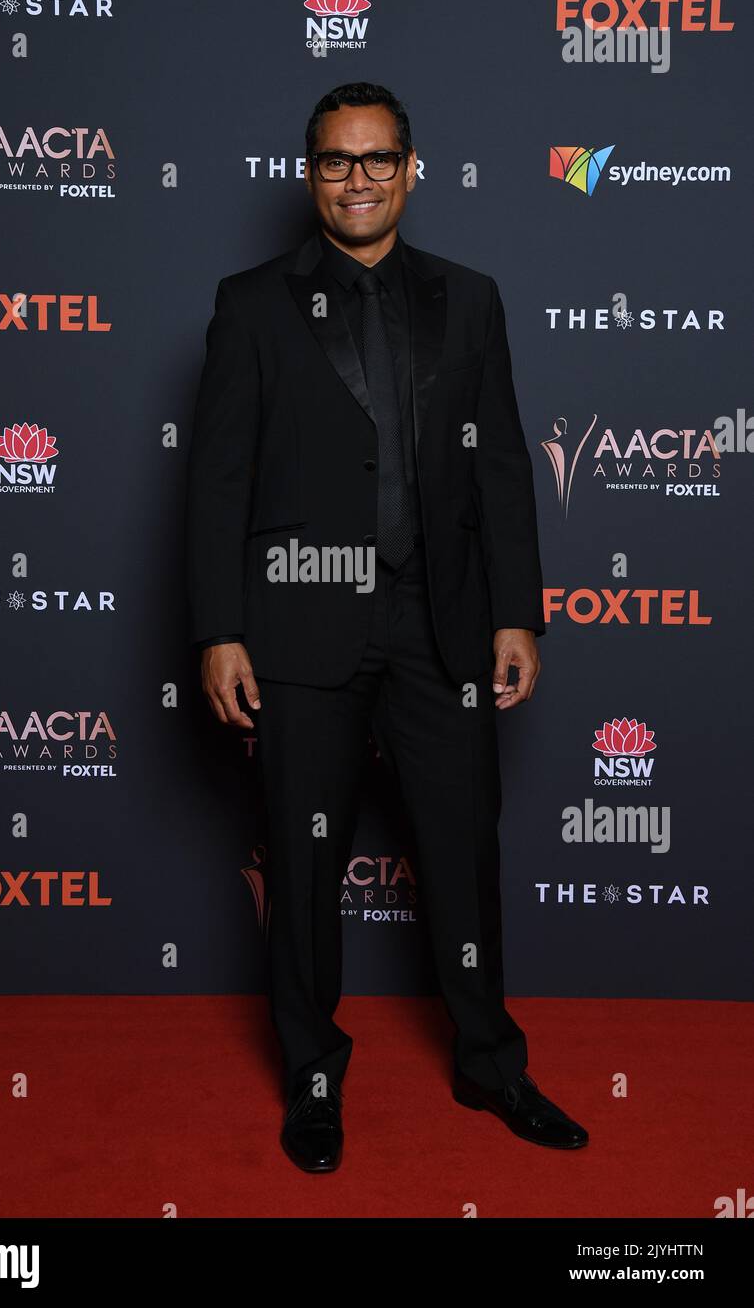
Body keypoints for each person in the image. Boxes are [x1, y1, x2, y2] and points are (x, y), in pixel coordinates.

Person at [185, 82, 588, 1172]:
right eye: (333, 160)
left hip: (440, 625)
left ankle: (489, 1065)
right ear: (307, 173)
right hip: (298, 626)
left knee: (460, 856)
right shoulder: (251, 303)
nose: (355, 177)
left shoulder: (471, 299)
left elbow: (502, 468)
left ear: (412, 169)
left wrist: (518, 611)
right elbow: (216, 482)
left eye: (376, 159)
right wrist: (219, 630)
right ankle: (313, 1080)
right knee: (304, 875)